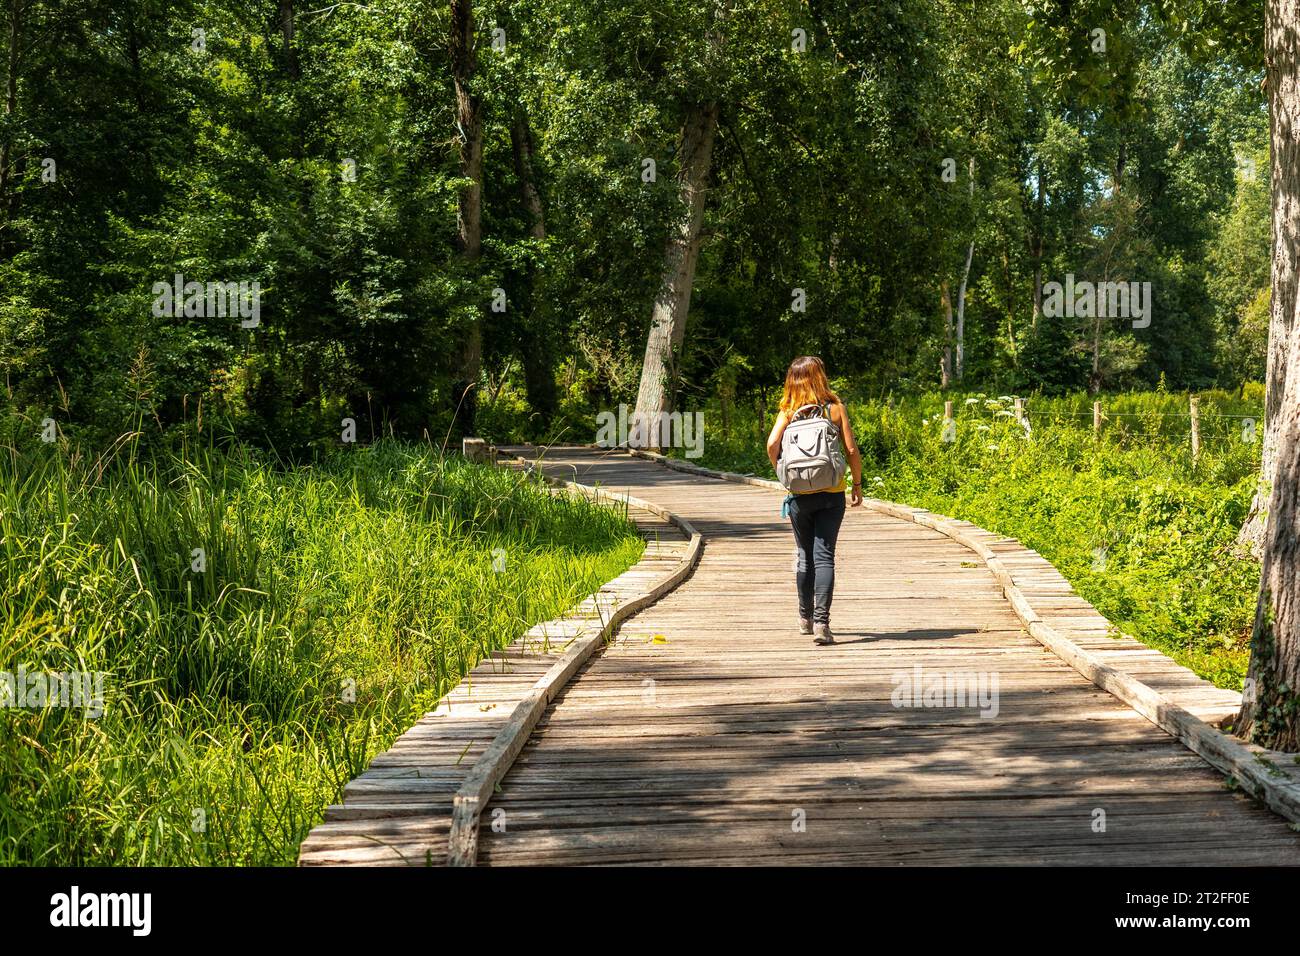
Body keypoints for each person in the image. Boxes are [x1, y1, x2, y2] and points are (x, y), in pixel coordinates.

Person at [766, 356, 863, 645]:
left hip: (799, 496)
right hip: (832, 494)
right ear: (820, 377)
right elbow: (851, 450)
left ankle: (804, 619)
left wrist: (783, 473)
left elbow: (772, 445)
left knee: (804, 556)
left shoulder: (787, 411)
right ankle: (822, 624)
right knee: (825, 556)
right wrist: (856, 483)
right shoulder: (834, 409)